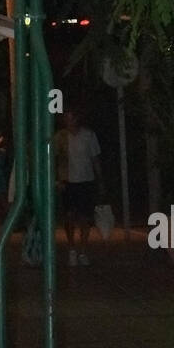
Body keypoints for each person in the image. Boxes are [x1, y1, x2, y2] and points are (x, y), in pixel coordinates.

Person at [55, 109, 104, 267]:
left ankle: (83, 250)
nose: (69, 122)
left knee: (85, 217)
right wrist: (57, 180)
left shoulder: (88, 135)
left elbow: (95, 159)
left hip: (86, 181)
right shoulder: (60, 137)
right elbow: (54, 159)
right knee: (69, 217)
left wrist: (100, 180)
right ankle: (72, 249)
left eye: (71, 118)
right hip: (68, 182)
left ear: (77, 119)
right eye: (66, 119)